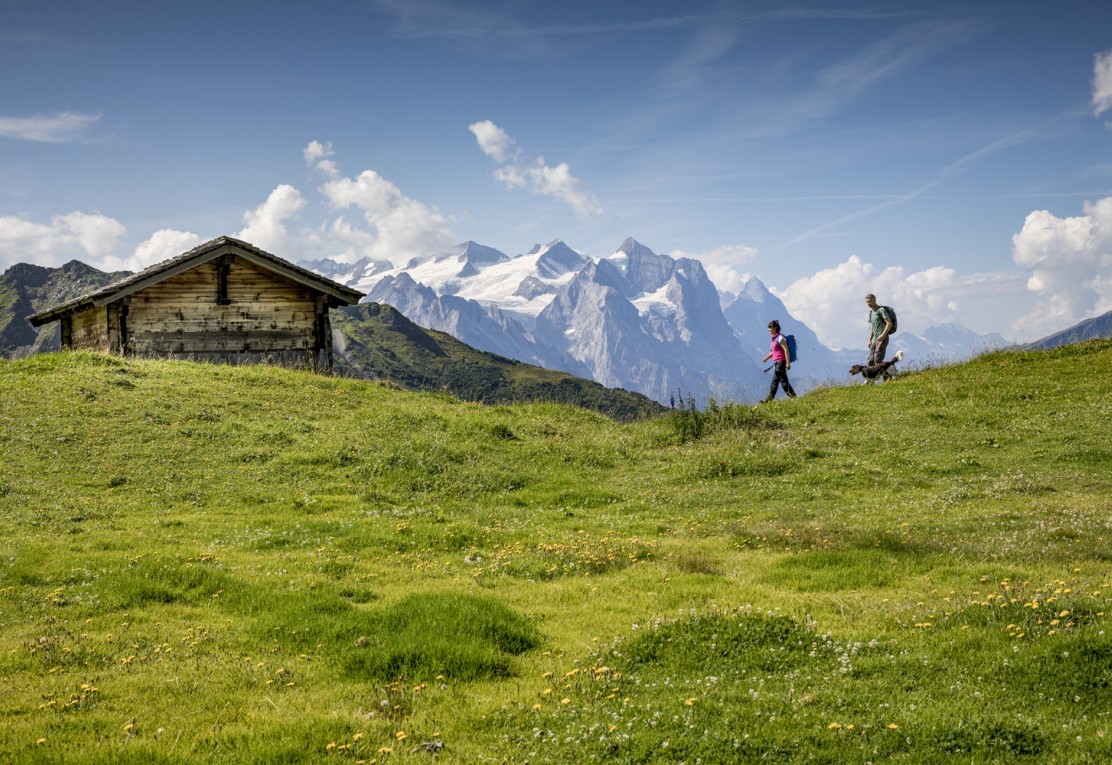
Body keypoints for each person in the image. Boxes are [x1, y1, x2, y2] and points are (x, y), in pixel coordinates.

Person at [760, 320, 796, 402]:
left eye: (770, 328)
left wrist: (787, 363)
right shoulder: (774, 339)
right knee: (784, 382)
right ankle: (794, 397)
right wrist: (766, 358)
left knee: (774, 382)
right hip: (777, 363)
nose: (769, 330)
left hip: (781, 362)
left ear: (775, 328)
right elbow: (774, 352)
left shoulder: (780, 338)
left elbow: (786, 349)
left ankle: (768, 401)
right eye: (768, 328)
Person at [865, 294, 895, 378]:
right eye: (867, 302)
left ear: (874, 300)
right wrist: (869, 340)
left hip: (882, 339)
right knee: (870, 361)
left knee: (877, 360)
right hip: (875, 339)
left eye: (870, 301)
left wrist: (883, 335)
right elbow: (873, 327)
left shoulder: (881, 310)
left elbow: (889, 323)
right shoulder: (871, 312)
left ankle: (888, 377)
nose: (868, 303)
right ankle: (871, 379)